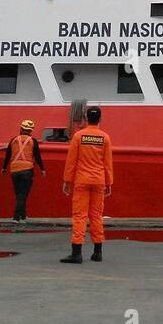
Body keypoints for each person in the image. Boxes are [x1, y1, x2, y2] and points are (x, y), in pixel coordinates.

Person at [61, 106, 113, 263]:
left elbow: (71, 161)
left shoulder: (78, 136)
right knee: (96, 216)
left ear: (86, 119)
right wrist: (109, 182)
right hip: (99, 181)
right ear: (100, 120)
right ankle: (98, 252)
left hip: (82, 181)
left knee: (80, 216)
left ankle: (76, 253)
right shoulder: (105, 138)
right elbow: (107, 163)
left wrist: (67, 181)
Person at [2, 119, 45, 224]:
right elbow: (37, 156)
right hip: (27, 170)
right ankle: (16, 217)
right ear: (30, 131)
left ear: (21, 129)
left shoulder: (13, 140)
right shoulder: (33, 141)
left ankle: (23, 216)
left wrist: (3, 168)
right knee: (23, 194)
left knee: (18, 194)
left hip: (14, 170)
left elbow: (7, 155)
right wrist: (42, 169)